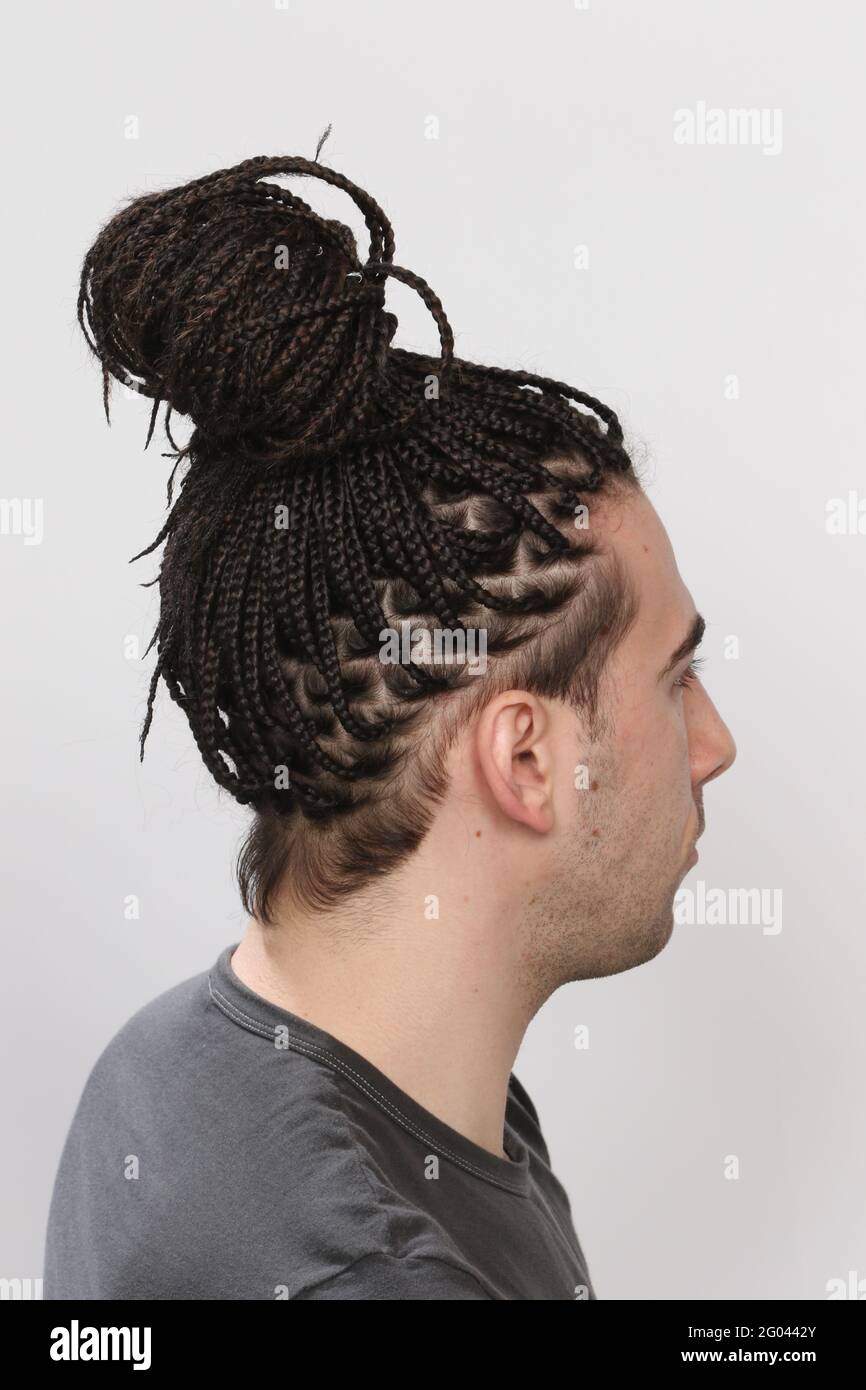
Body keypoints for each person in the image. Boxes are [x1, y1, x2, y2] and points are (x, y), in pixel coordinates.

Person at [44, 149, 736, 1301]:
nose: (712, 744)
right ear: (525, 759)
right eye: (675, 677)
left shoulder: (176, 1057)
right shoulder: (371, 1272)